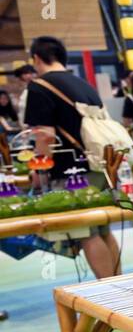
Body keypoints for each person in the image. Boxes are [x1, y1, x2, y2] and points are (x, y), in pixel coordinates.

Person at [23, 36, 122, 278]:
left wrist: (39, 168)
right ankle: (122, 287)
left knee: (87, 234)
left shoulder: (40, 87)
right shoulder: (84, 85)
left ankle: (111, 295)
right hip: (100, 164)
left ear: (37, 58)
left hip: (70, 171)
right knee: (103, 228)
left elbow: (45, 136)